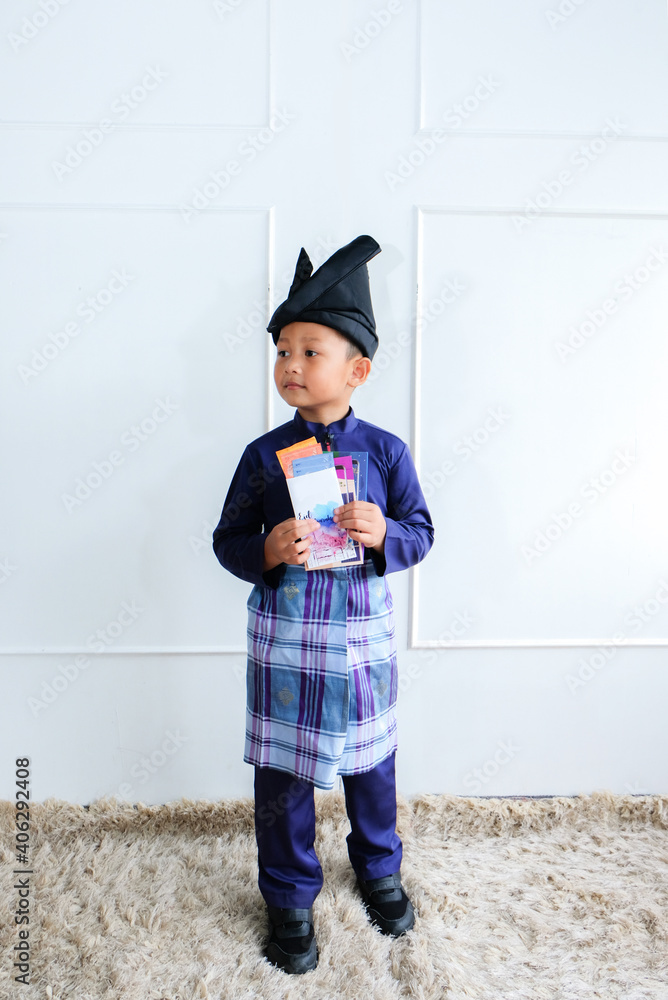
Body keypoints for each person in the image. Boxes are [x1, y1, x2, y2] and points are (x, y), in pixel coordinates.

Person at [212, 234, 434, 974]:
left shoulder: (388, 453)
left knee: (373, 767)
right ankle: (287, 893)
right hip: (286, 647)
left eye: (310, 351)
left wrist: (384, 535)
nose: (291, 367)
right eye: (283, 352)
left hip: (360, 643)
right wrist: (268, 549)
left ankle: (377, 868)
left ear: (357, 369)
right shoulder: (262, 455)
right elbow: (228, 540)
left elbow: (421, 532)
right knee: (282, 775)